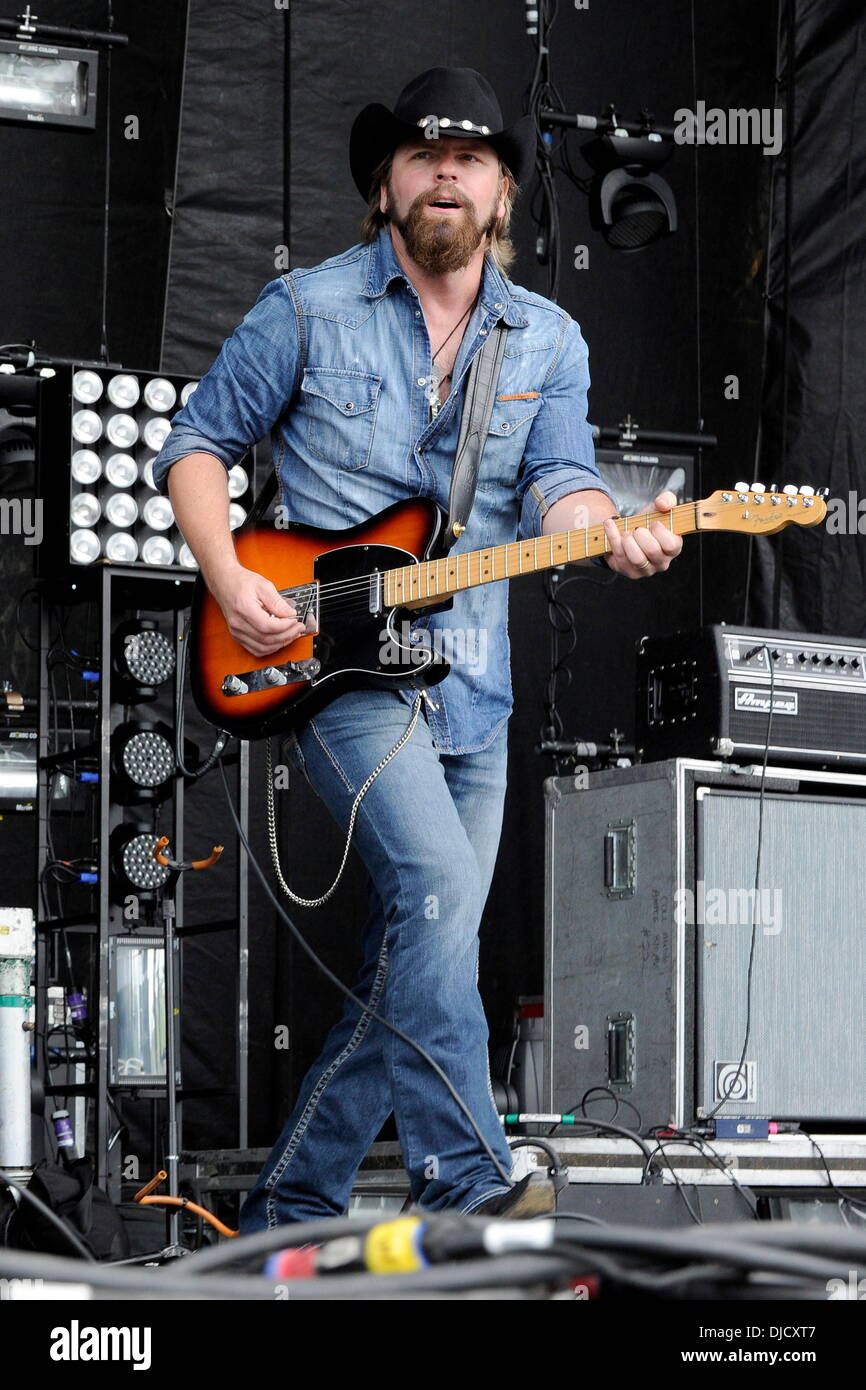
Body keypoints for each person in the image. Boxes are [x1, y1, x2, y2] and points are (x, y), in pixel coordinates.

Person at [152, 66, 682, 1230]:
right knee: (440, 894)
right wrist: (228, 572)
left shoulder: (545, 336)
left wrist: (608, 534)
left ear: (499, 192)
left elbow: (560, 485)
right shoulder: (306, 308)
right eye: (422, 153)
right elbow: (196, 445)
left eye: (472, 156)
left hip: (475, 692)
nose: (446, 170)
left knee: (419, 948)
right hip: (334, 672)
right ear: (385, 181)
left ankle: (292, 1203)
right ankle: (471, 1180)